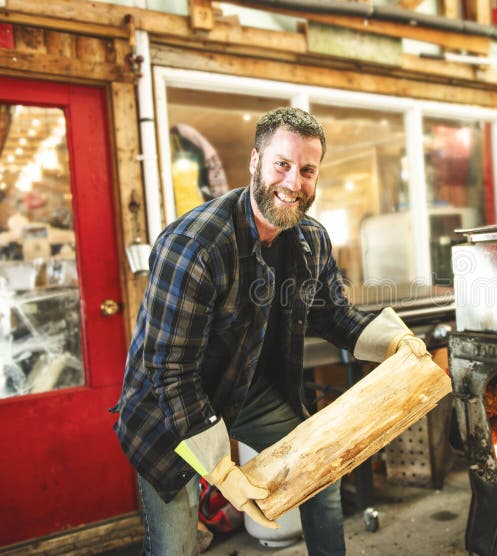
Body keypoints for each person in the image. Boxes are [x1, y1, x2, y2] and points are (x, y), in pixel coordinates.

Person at [112, 107, 428, 555]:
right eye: (282, 164)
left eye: (307, 170)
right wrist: (222, 472)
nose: (293, 183)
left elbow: (332, 315)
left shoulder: (311, 240)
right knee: (174, 544)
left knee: (320, 475)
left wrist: (394, 339)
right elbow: (171, 371)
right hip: (170, 407)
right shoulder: (196, 245)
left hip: (249, 393)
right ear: (256, 162)